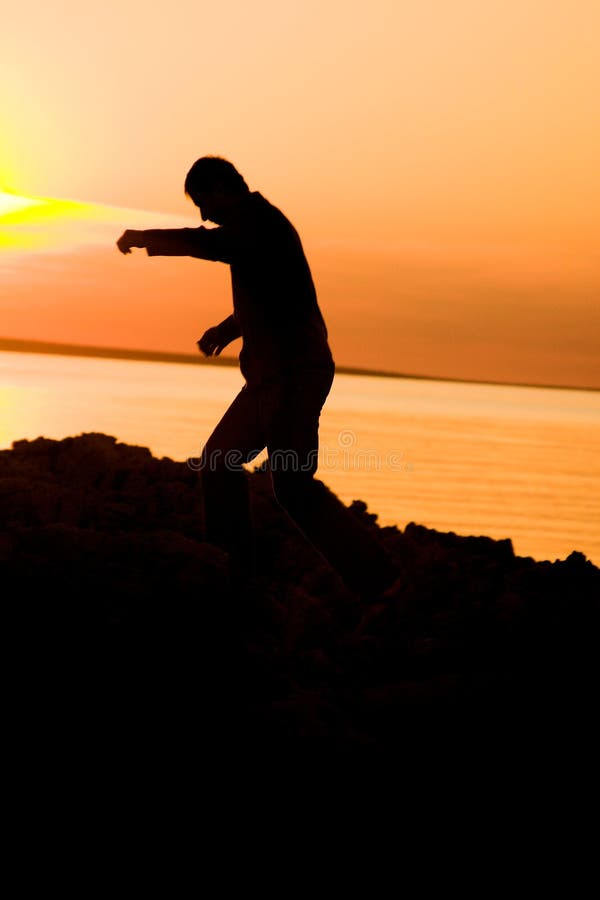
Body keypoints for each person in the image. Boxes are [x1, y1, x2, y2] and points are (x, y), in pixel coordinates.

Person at [116, 156, 399, 597]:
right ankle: (234, 575)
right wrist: (227, 329)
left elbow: (206, 243)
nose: (205, 216)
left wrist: (145, 237)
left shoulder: (260, 224)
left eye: (203, 202)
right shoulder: (253, 230)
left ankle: (381, 583)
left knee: (293, 488)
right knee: (218, 462)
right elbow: (270, 292)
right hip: (269, 377)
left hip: (295, 374)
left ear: (222, 187)